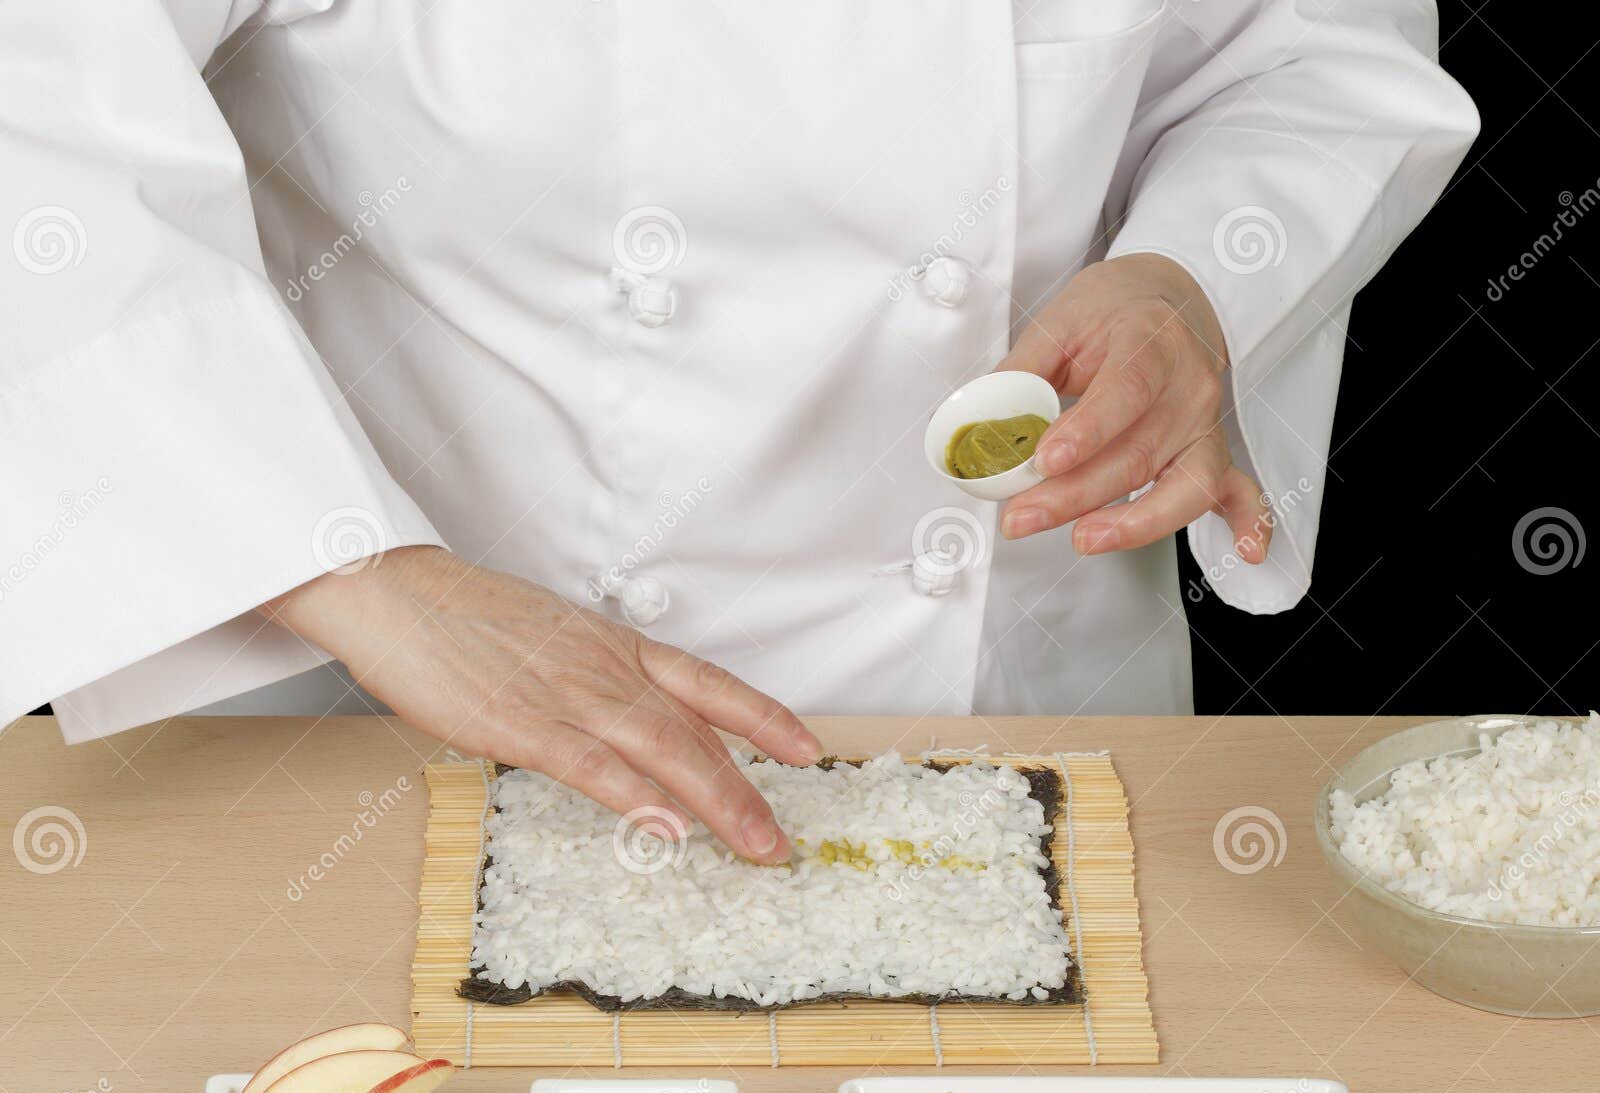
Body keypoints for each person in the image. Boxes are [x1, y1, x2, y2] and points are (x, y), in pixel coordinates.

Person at [2, 1, 1476, 860]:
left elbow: (1315, 55)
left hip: (1015, 715)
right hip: (389, 757)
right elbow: (37, 107)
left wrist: (1197, 281)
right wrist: (355, 571)